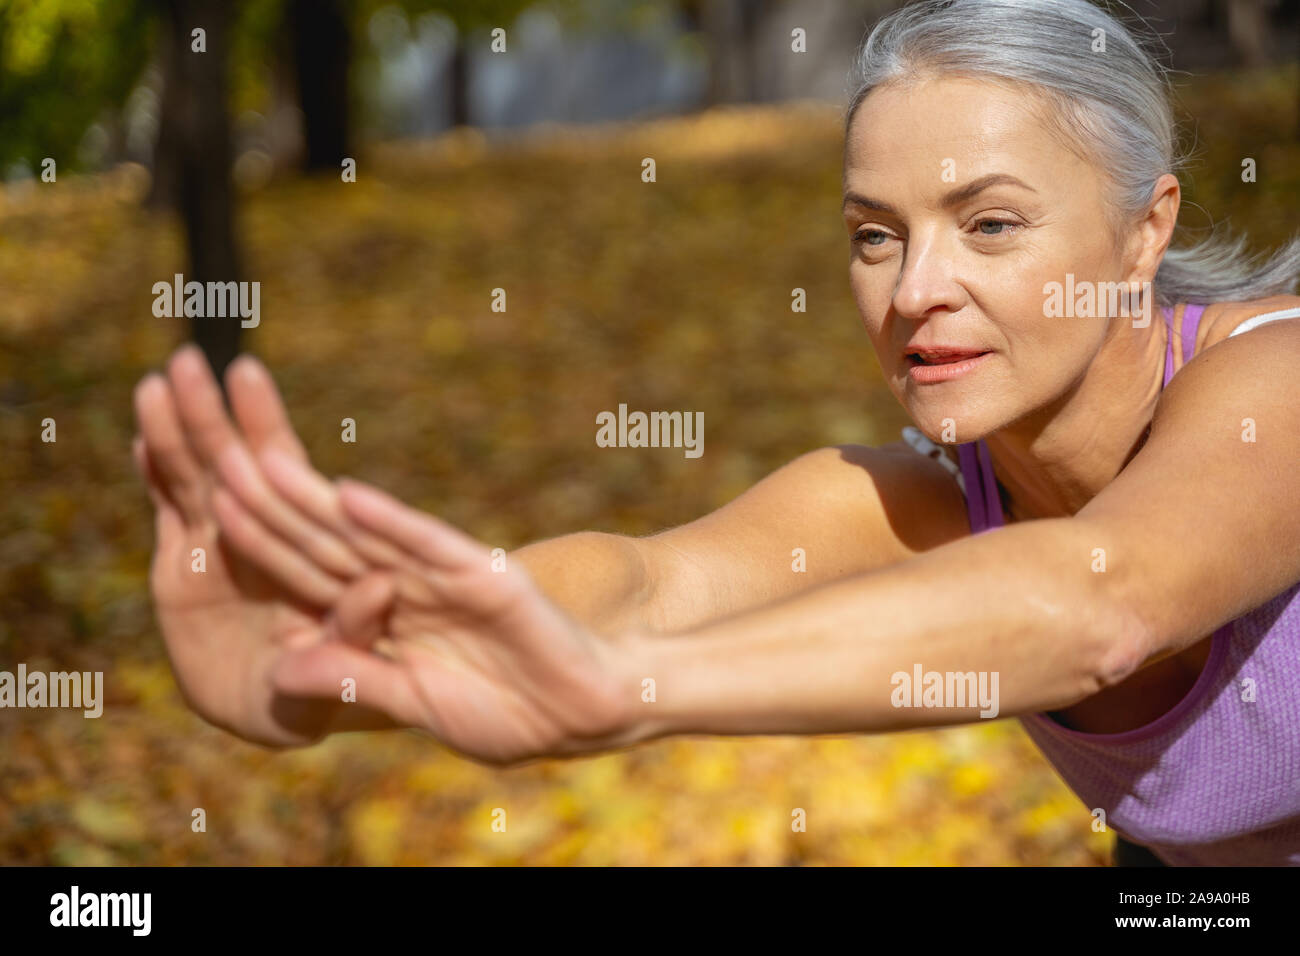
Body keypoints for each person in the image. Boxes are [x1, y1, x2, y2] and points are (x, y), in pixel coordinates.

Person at [131, 0, 1300, 865]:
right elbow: (643, 586)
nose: (914, 289)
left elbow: (1105, 599)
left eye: (989, 224)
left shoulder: (1277, 378)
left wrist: (630, 688)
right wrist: (326, 672)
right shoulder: (929, 504)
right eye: (874, 235)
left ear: (1144, 232)